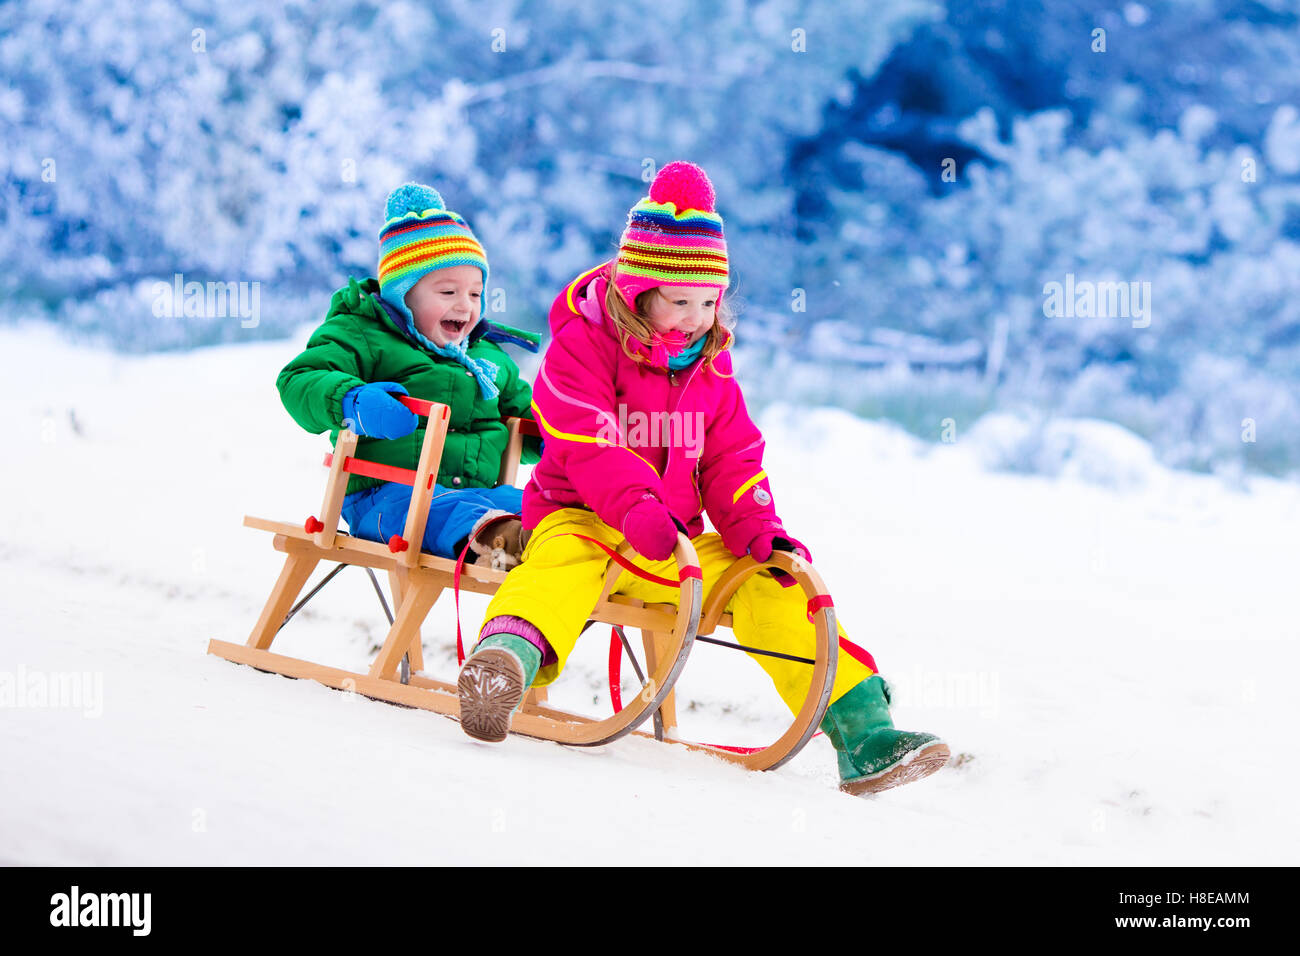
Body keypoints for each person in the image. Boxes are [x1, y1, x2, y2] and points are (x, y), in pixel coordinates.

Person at [457, 162, 949, 795]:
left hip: (677, 541)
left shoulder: (709, 370)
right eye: (680, 302)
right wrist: (633, 502)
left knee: (771, 585)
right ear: (637, 292)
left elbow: (732, 458)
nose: (695, 318)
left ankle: (863, 732)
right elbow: (583, 433)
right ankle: (503, 669)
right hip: (581, 517)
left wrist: (755, 526)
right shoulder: (583, 344)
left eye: (708, 302)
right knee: (559, 572)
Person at [276, 182, 539, 568]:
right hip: (384, 496)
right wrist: (353, 401)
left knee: (537, 506)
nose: (465, 306)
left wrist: (563, 438)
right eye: (448, 292)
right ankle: (499, 542)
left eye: (475, 293)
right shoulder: (364, 334)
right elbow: (300, 379)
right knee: (442, 510)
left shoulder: (486, 358)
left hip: (482, 493)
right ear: (403, 294)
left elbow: (531, 413)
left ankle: (553, 544)